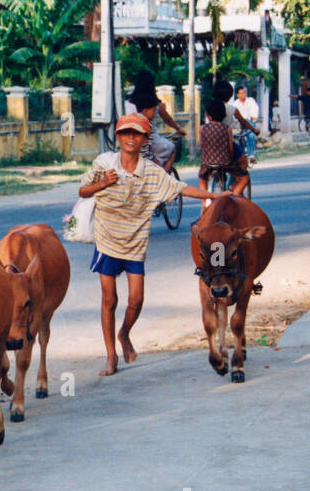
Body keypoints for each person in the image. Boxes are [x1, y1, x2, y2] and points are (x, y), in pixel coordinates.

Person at [78, 113, 217, 377]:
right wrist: (103, 183)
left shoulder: (152, 172)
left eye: (137, 133)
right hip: (107, 239)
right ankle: (110, 356)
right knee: (109, 300)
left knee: (136, 299)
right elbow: (82, 191)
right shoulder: (104, 163)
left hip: (135, 244)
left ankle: (124, 333)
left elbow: (180, 188)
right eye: (126, 132)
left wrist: (212, 195)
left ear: (144, 139)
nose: (131, 137)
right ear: (118, 137)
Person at [199, 98, 249, 199]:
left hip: (207, 163)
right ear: (224, 115)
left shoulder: (202, 128)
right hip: (225, 163)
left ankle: (204, 203)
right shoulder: (227, 129)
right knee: (244, 178)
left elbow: (202, 146)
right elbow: (230, 149)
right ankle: (234, 195)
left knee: (202, 179)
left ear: (208, 116)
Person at [125, 69, 185, 136]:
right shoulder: (154, 103)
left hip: (129, 137)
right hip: (149, 139)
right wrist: (178, 129)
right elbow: (168, 119)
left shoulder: (128, 101)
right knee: (170, 146)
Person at [131, 91, 177, 172]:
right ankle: (163, 176)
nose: (155, 114)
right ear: (146, 110)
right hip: (145, 162)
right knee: (172, 148)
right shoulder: (147, 124)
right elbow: (146, 149)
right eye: (154, 110)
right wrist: (153, 159)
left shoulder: (133, 120)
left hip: (132, 159)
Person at [227, 84, 261, 165]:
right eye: (241, 93)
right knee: (235, 137)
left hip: (249, 122)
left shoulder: (251, 101)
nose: (243, 95)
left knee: (251, 134)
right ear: (237, 95)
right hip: (238, 123)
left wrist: (249, 122)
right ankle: (238, 156)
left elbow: (254, 115)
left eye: (244, 93)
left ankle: (251, 156)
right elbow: (234, 118)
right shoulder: (235, 104)